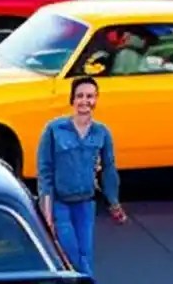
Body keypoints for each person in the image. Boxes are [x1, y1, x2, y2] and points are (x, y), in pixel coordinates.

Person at [36, 77, 126, 276]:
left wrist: (114, 203)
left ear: (96, 100)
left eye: (90, 96)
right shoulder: (54, 129)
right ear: (72, 99)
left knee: (85, 254)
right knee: (71, 254)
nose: (85, 101)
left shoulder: (102, 132)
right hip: (61, 204)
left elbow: (109, 170)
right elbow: (45, 172)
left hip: (85, 204)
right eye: (80, 96)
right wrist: (47, 211)